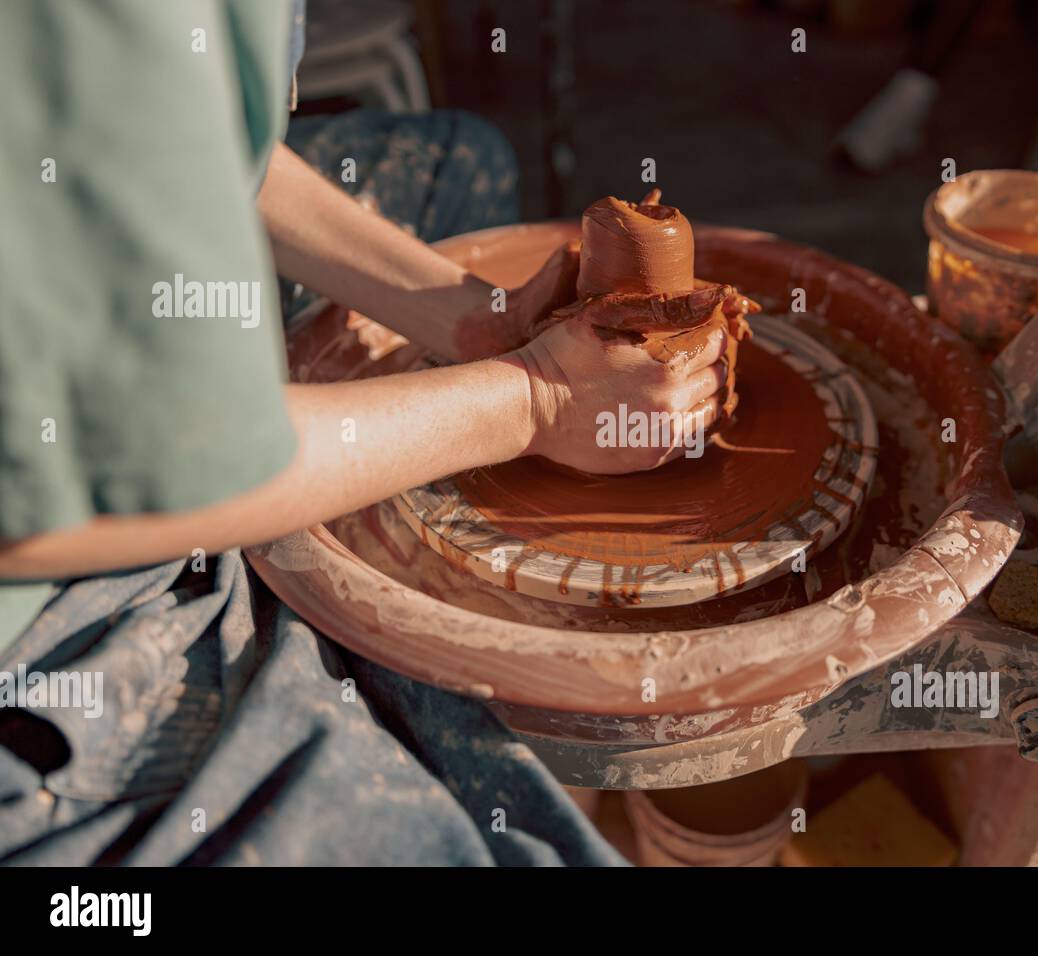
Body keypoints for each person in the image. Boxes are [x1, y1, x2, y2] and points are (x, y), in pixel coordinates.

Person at [0, 0, 721, 865]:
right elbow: (94, 492)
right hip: (53, 618)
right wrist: (539, 401)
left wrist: (472, 321)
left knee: (462, 163)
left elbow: (195, 146)